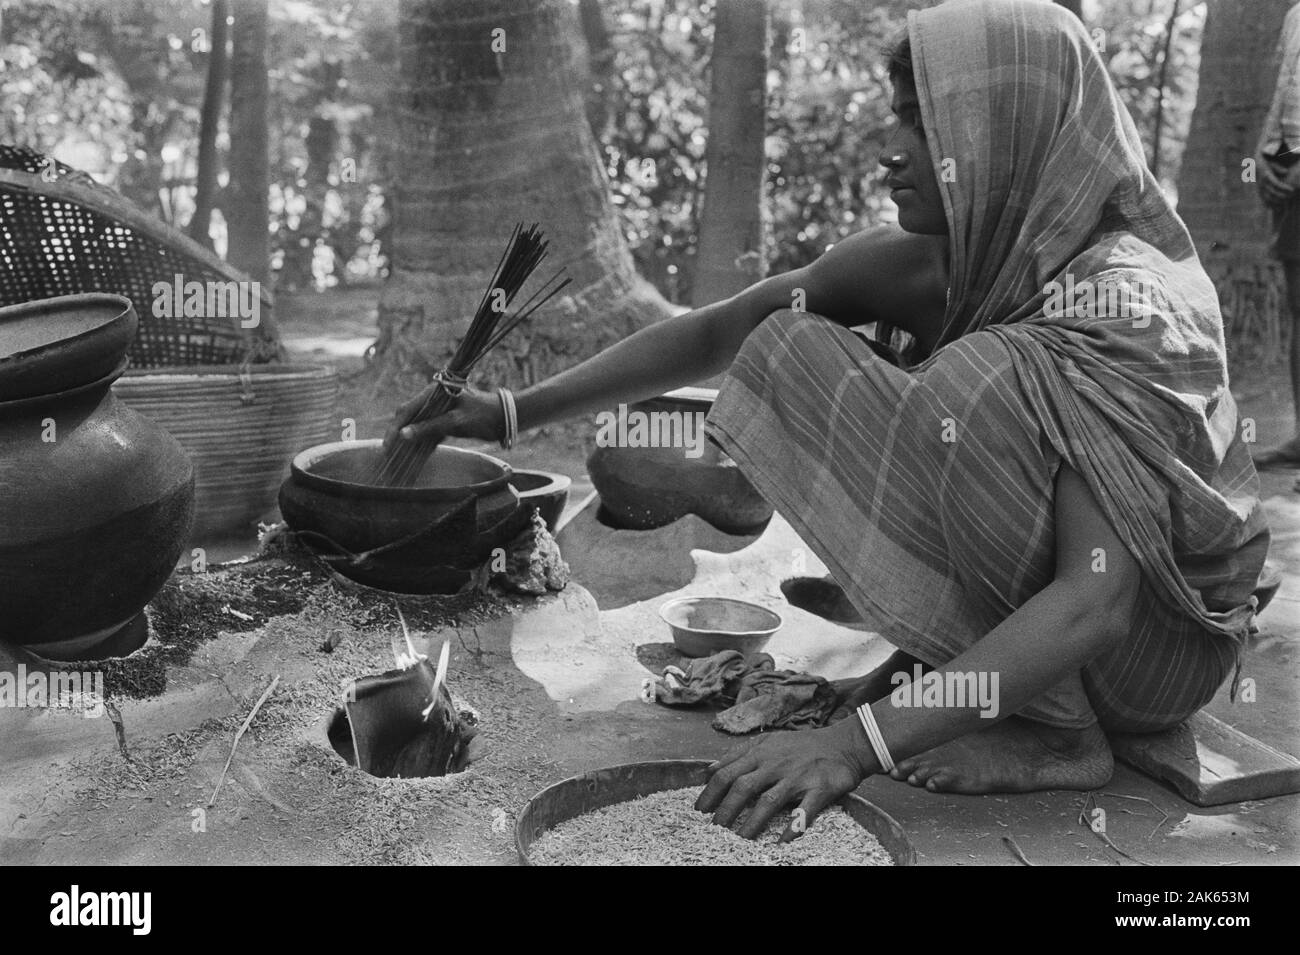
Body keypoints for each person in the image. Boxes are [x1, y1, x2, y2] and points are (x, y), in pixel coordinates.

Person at [387, 0, 1270, 839]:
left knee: (979, 380)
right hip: (1075, 624)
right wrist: (505, 410)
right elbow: (722, 329)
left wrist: (855, 745)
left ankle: (1058, 736)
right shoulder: (937, 264)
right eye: (894, 117)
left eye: (922, 126)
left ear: (1009, 136)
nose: (889, 150)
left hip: (1151, 650)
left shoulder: (1120, 302)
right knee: (789, 343)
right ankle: (964, 671)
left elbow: (1098, 599)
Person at [1254, 1, 1300, 480]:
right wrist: (1264, 153)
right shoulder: (1294, 15)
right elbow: (1286, 92)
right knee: (1298, 307)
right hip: (1290, 167)